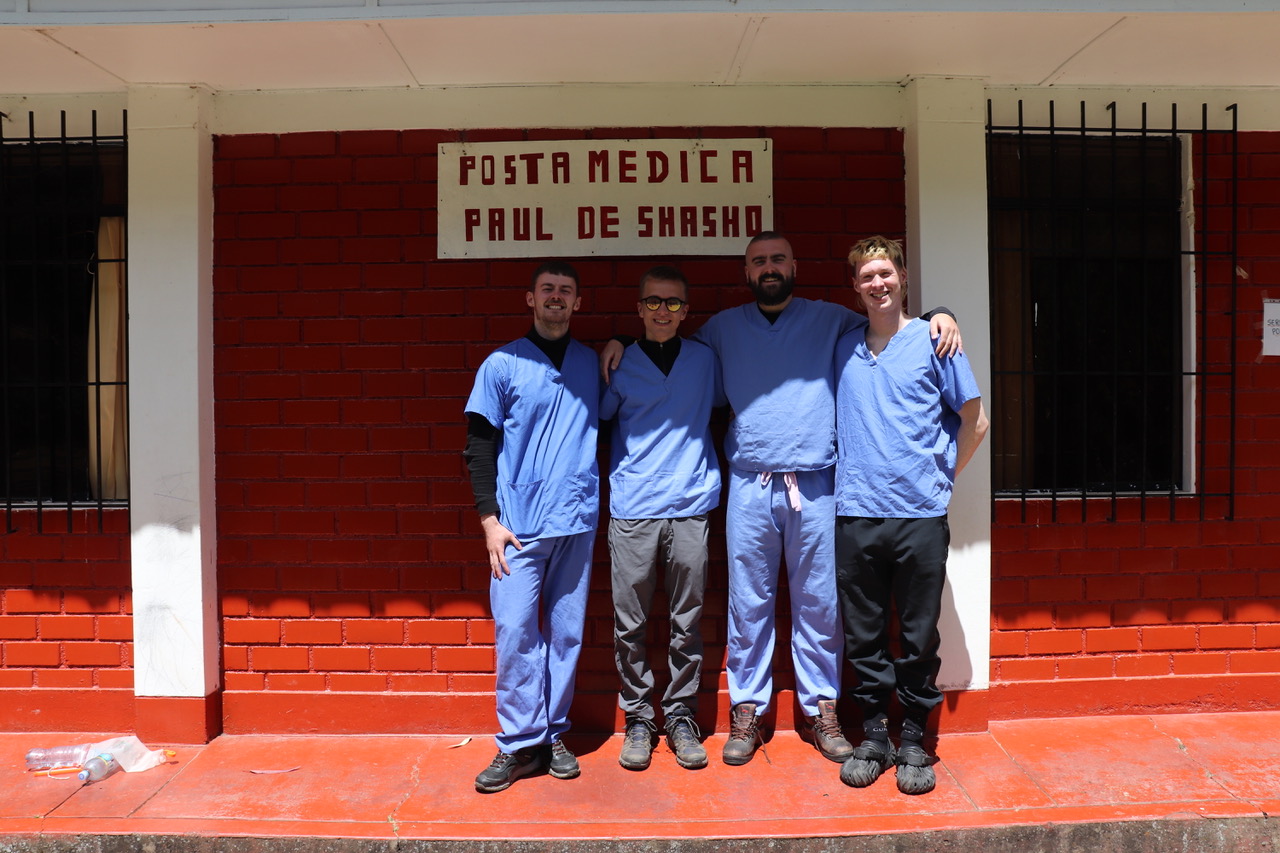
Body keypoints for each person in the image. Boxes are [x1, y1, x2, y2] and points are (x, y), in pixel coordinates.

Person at [602, 232, 961, 767]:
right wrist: (617, 339)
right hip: (751, 483)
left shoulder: (830, 319)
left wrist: (940, 313)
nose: (768, 268)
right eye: (758, 262)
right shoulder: (721, 329)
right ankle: (748, 709)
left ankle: (821, 709)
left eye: (777, 259)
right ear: (746, 272)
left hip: (817, 482)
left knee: (820, 603)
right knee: (749, 603)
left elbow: (887, 317)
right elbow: (664, 344)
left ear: (794, 265)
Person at [833, 236, 988, 795]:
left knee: (919, 635)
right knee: (864, 634)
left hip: (919, 516)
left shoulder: (933, 341)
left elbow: (975, 420)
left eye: (886, 273)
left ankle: (916, 739)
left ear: (902, 277)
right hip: (855, 514)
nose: (877, 284)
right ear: (855, 288)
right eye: (866, 277)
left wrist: (942, 480)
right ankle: (875, 736)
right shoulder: (842, 348)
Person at [463, 261, 600, 794]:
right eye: (548, 290)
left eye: (566, 291)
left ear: (578, 302)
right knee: (516, 630)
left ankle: (554, 733)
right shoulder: (502, 364)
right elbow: (478, 446)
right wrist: (489, 520)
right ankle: (520, 742)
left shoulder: (592, 362)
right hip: (517, 526)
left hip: (575, 520)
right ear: (531, 298)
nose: (556, 298)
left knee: (566, 633)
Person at [599, 266, 724, 772]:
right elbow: (599, 418)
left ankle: (680, 716)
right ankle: (638, 718)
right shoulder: (619, 362)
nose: (663, 311)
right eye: (653, 301)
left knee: (686, 620)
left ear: (686, 311)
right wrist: (617, 342)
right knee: (629, 623)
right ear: (639, 308)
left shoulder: (705, 359)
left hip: (690, 503)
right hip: (633, 506)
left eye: (673, 303)